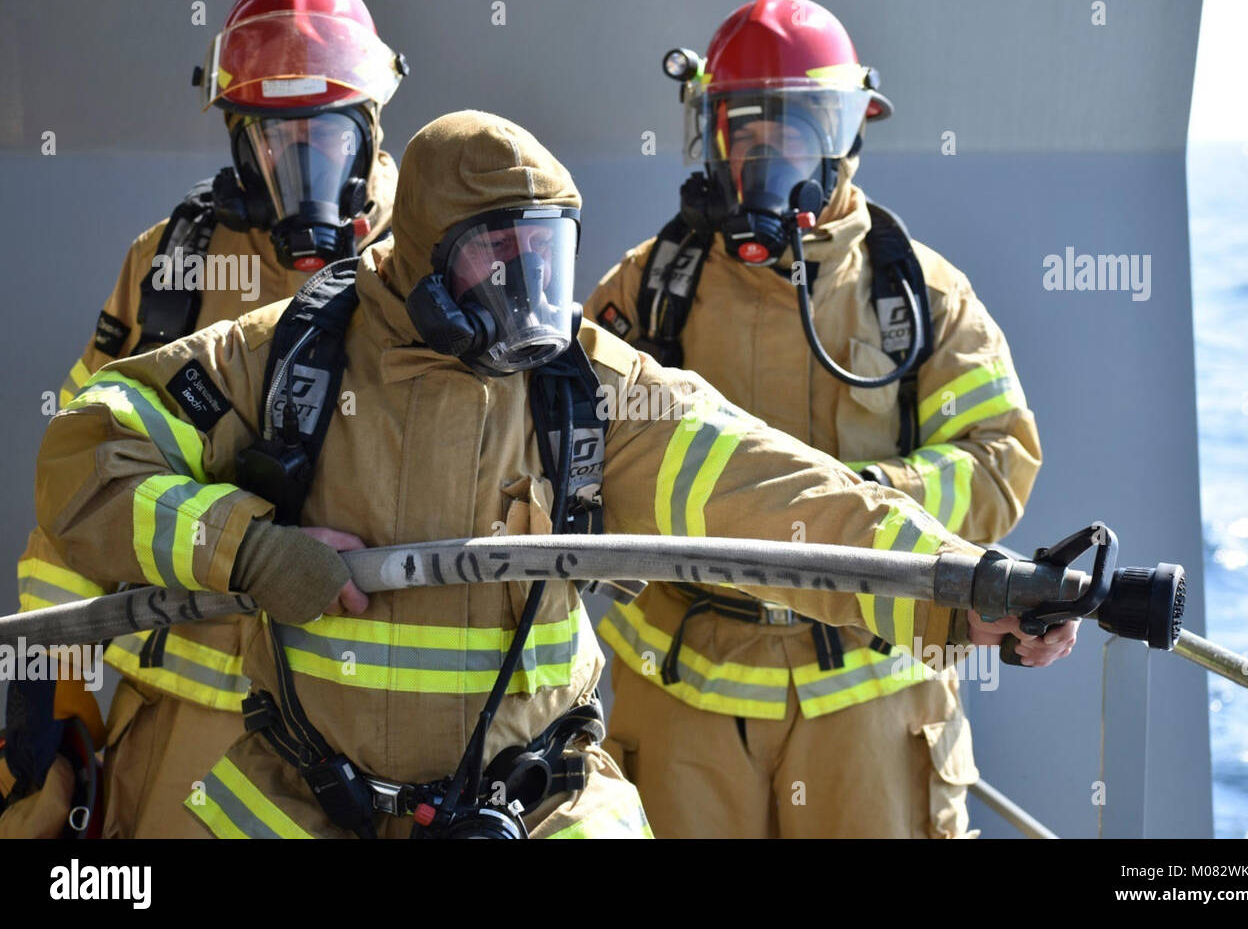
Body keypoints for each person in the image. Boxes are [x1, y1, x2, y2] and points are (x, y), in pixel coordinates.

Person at [32, 109, 1036, 839]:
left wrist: (966, 588)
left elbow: (781, 498)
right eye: (494, 262)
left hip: (536, 806)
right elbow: (89, 448)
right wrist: (245, 547)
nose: (528, 298)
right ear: (421, 257)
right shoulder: (278, 358)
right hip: (294, 803)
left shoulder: (585, 388)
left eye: (545, 260)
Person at [584, 0, 1064, 838]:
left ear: (847, 133)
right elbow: (572, 442)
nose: (769, 155)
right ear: (711, 131)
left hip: (871, 704)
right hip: (683, 701)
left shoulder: (918, 295)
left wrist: (865, 501)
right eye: (749, 130)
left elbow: (1000, 457)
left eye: (797, 128)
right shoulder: (650, 289)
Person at [1, 0, 405, 838]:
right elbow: (80, 477)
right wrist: (55, 676)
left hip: (372, 732)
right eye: (273, 138)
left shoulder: (434, 267)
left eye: (326, 137)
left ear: (372, 131)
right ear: (237, 143)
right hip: (188, 720)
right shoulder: (172, 272)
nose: (301, 167)